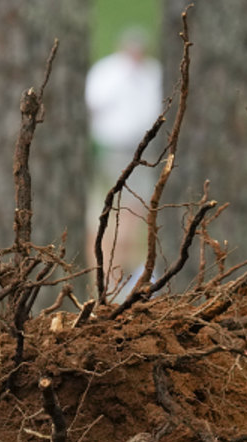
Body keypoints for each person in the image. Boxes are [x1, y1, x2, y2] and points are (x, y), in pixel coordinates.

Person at [85, 26, 162, 283]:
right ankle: (109, 264)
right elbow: (95, 105)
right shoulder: (108, 73)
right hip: (113, 147)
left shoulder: (153, 74)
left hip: (143, 148)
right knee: (115, 202)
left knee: (134, 205)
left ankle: (125, 263)